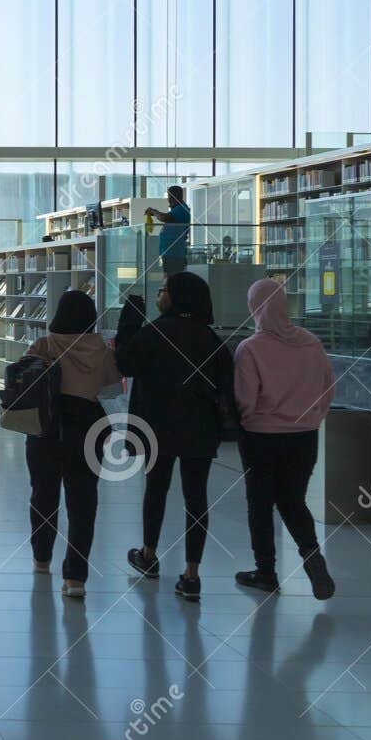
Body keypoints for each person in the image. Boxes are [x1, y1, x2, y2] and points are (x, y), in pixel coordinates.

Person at [115, 271, 234, 602]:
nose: (158, 296)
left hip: (157, 426)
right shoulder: (211, 339)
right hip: (199, 428)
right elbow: (227, 384)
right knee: (197, 498)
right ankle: (192, 574)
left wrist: (129, 323)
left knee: (156, 489)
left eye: (163, 290)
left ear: (176, 296)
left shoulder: (154, 333)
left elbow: (124, 363)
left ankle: (149, 555)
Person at [233, 279, 338, 600]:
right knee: (293, 501)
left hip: (261, 437)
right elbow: (328, 388)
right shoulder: (310, 343)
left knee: (260, 504)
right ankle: (312, 558)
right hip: (304, 437)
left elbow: (245, 399)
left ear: (255, 307)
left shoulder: (250, 348)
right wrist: (311, 418)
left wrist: (249, 420)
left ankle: (265, 571)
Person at [22, 290, 122, 599]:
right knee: (83, 502)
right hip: (88, 429)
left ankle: (41, 559)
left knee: (43, 494)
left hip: (45, 428)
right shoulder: (102, 351)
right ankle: (76, 578)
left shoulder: (43, 345)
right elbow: (111, 392)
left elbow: (21, 384)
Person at [145, 185, 192, 276]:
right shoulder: (178, 209)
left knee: (172, 278)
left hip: (174, 253)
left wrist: (154, 211)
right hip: (171, 252)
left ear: (173, 196)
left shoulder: (181, 209)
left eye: (169, 196)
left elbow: (164, 217)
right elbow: (167, 217)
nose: (168, 200)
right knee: (169, 277)